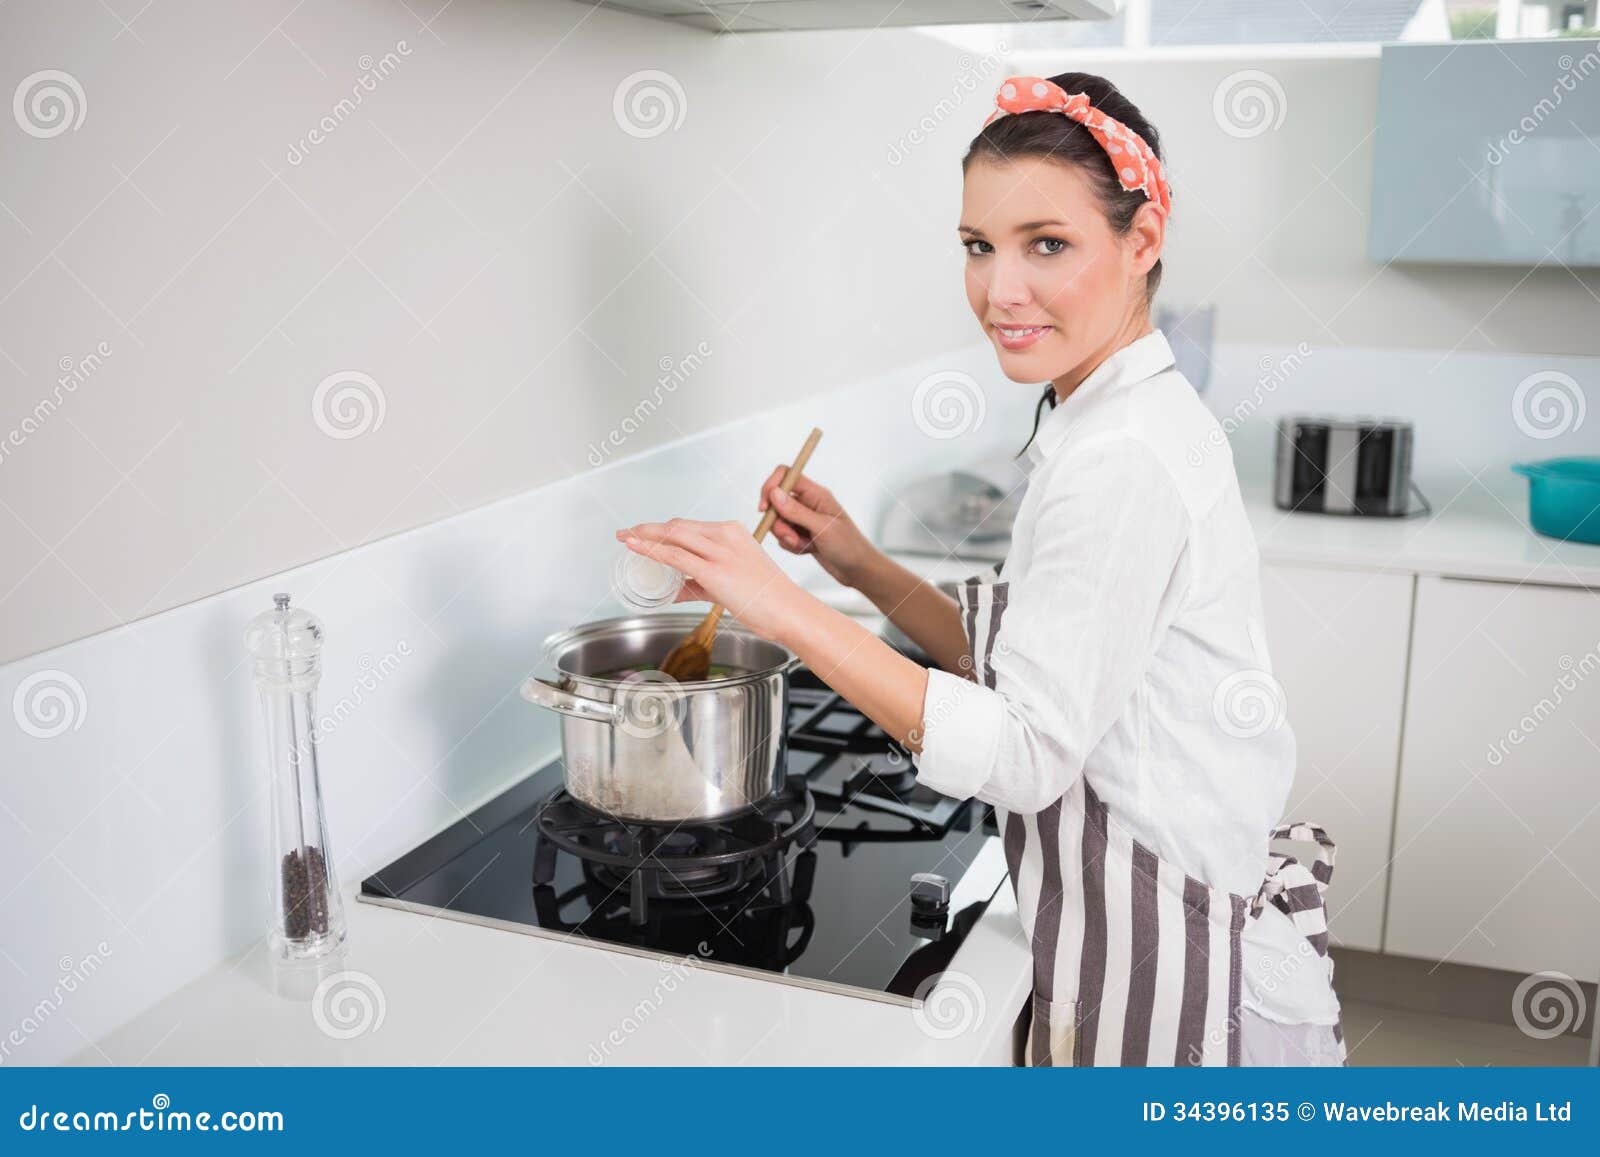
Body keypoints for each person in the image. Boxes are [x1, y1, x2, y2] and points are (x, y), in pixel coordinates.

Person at [617, 71, 1345, 1067]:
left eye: (1046, 243)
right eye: (978, 245)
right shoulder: (1103, 414)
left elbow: (1025, 751)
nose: (999, 290)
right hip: (1132, 912)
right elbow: (1022, 667)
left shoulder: (1123, 457)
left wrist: (777, 604)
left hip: (1156, 942)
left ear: (1142, 240)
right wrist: (857, 564)